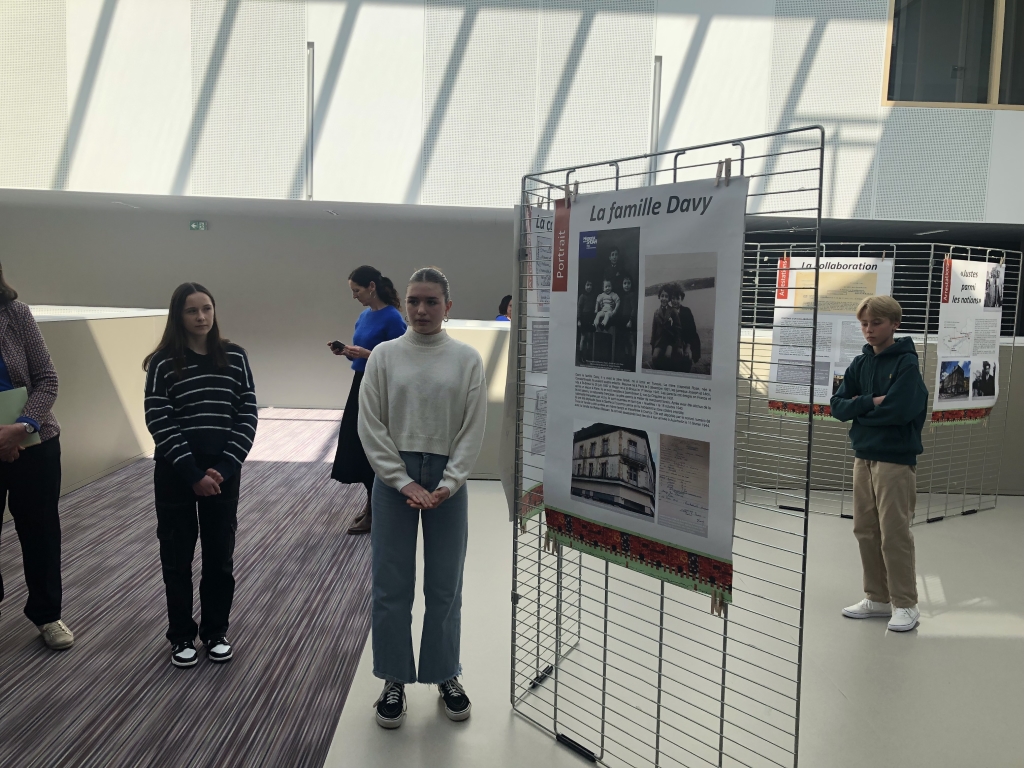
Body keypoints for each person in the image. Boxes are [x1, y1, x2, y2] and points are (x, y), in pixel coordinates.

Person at [358, 267, 486, 729]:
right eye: (413, 301)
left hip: (448, 481)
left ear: (447, 307)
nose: (421, 310)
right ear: (404, 303)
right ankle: (393, 678)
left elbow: (473, 429)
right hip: (395, 480)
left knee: (445, 585)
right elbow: (369, 425)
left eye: (431, 302)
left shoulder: (467, 359)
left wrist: (448, 483)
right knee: (391, 584)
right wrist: (400, 480)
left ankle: (444, 672)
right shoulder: (385, 356)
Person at [143, 282, 258, 667]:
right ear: (179, 316)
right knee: (176, 556)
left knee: (219, 556)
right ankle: (181, 636)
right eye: (192, 311)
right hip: (177, 471)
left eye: (206, 308)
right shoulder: (162, 362)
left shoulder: (235, 357)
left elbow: (247, 415)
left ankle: (215, 631)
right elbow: (158, 418)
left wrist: (224, 468)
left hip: (223, 471)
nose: (201, 317)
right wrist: (192, 472)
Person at [830, 296, 927, 633]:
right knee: (865, 530)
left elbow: (899, 412)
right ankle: (878, 598)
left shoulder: (907, 366)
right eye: (864, 323)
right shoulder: (860, 363)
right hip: (864, 456)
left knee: (894, 533)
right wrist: (870, 403)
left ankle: (906, 604)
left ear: (894, 324)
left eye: (876, 323)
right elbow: (836, 406)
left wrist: (859, 413)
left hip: (895, 461)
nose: (869, 330)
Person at [0, 266, 74, 651]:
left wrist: (21, 427)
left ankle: (47, 615)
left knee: (41, 533)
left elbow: (47, 378)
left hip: (35, 441)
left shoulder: (17, 315)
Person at [329, 266, 406, 535]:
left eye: (357, 290)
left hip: (380, 389)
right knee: (356, 443)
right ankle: (371, 503)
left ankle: (376, 509)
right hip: (360, 384)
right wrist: (348, 353)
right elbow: (364, 355)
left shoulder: (393, 318)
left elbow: (400, 360)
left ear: (372, 286)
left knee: (372, 447)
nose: (354, 296)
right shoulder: (364, 316)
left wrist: (366, 354)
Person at [669, 286, 700, 372]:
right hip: (674, 341)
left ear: (681, 299)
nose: (675, 301)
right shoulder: (668, 312)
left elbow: (692, 331)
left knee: (688, 357)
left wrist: (687, 347)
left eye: (677, 299)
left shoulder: (687, 311)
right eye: (673, 298)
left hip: (687, 341)